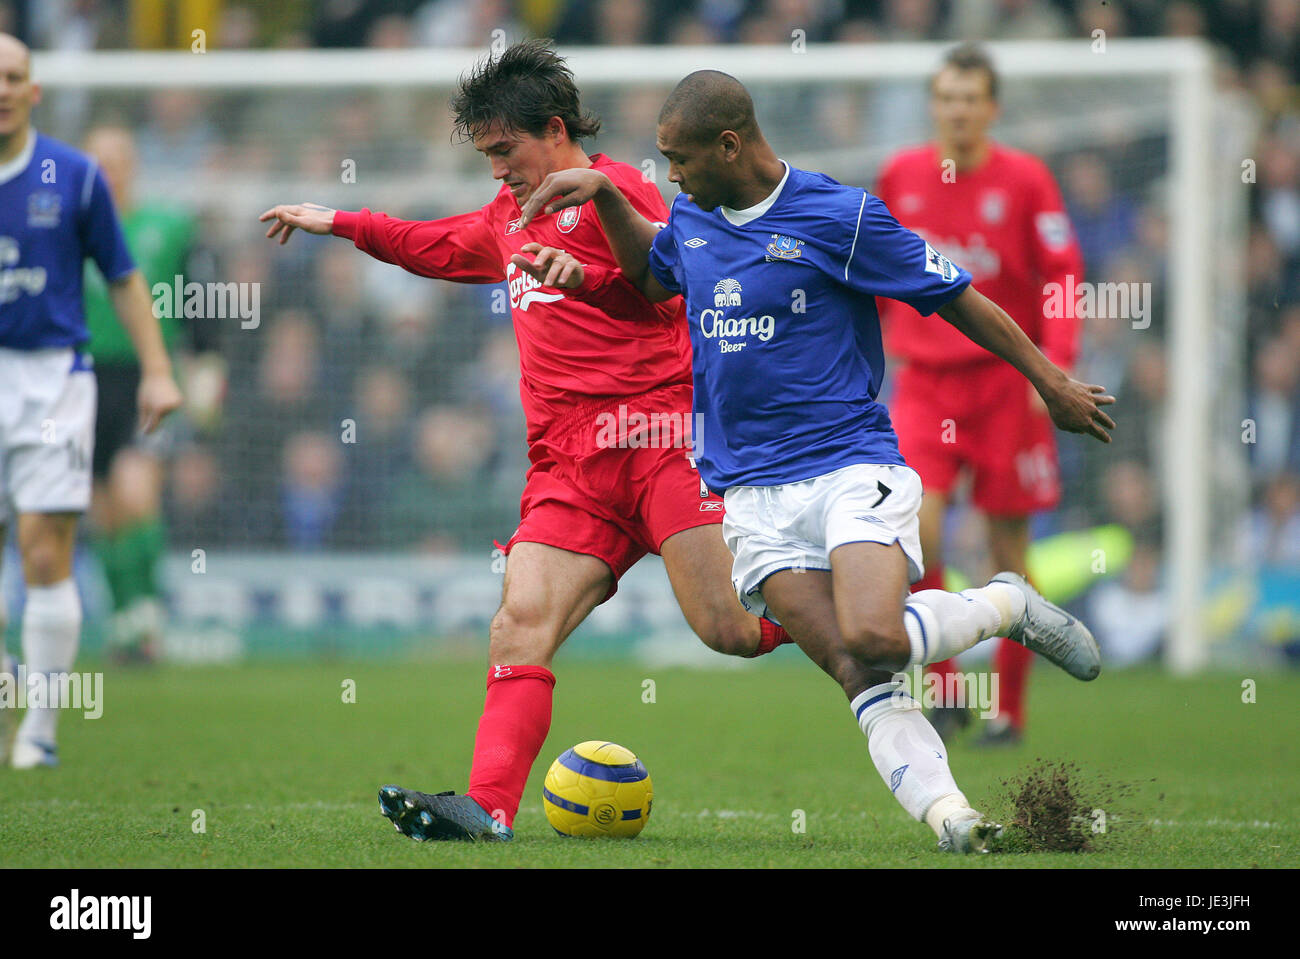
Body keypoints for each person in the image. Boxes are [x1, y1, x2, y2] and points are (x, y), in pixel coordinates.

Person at [514, 69, 1113, 852]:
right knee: (854, 666)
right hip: (750, 496)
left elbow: (954, 295)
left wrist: (1051, 380)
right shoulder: (695, 216)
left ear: (729, 145)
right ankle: (952, 817)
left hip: (845, 465)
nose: (671, 177)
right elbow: (653, 273)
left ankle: (1005, 603)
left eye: (679, 159)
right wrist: (603, 196)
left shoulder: (841, 216)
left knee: (876, 638)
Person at [259, 39, 794, 843]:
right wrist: (337, 220)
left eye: (503, 150)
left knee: (732, 631)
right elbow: (431, 245)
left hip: (659, 440)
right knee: (518, 623)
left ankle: (857, 612)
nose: (496, 170)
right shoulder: (509, 216)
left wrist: (594, 281)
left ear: (553, 129)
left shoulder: (625, 190)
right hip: (571, 468)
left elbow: (665, 294)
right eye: (485, 156)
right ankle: (486, 808)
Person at [875, 43, 1085, 746]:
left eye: (971, 98)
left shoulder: (1025, 180)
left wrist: (1051, 367)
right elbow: (872, 273)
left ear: (991, 107)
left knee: (1007, 551)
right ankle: (946, 686)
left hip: (1005, 384)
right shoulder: (900, 176)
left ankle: (1011, 711)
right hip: (925, 385)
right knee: (916, 528)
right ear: (934, 104)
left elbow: (1061, 271)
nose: (958, 109)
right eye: (947, 97)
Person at [0, 34, 183, 768]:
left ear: (34, 92)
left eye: (14, 76)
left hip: (53, 380)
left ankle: (39, 727)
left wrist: (159, 369)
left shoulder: (72, 176)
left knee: (45, 547)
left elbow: (123, 275)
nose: (2, 88)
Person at [82, 124, 224, 663]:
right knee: (101, 507)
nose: (106, 170)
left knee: (135, 489)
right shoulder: (69, 229)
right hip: (79, 379)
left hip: (148, 378)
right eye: (95, 160)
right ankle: (125, 620)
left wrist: (207, 363)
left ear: (133, 164)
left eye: (115, 158)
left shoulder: (167, 226)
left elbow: (201, 298)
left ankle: (146, 610)